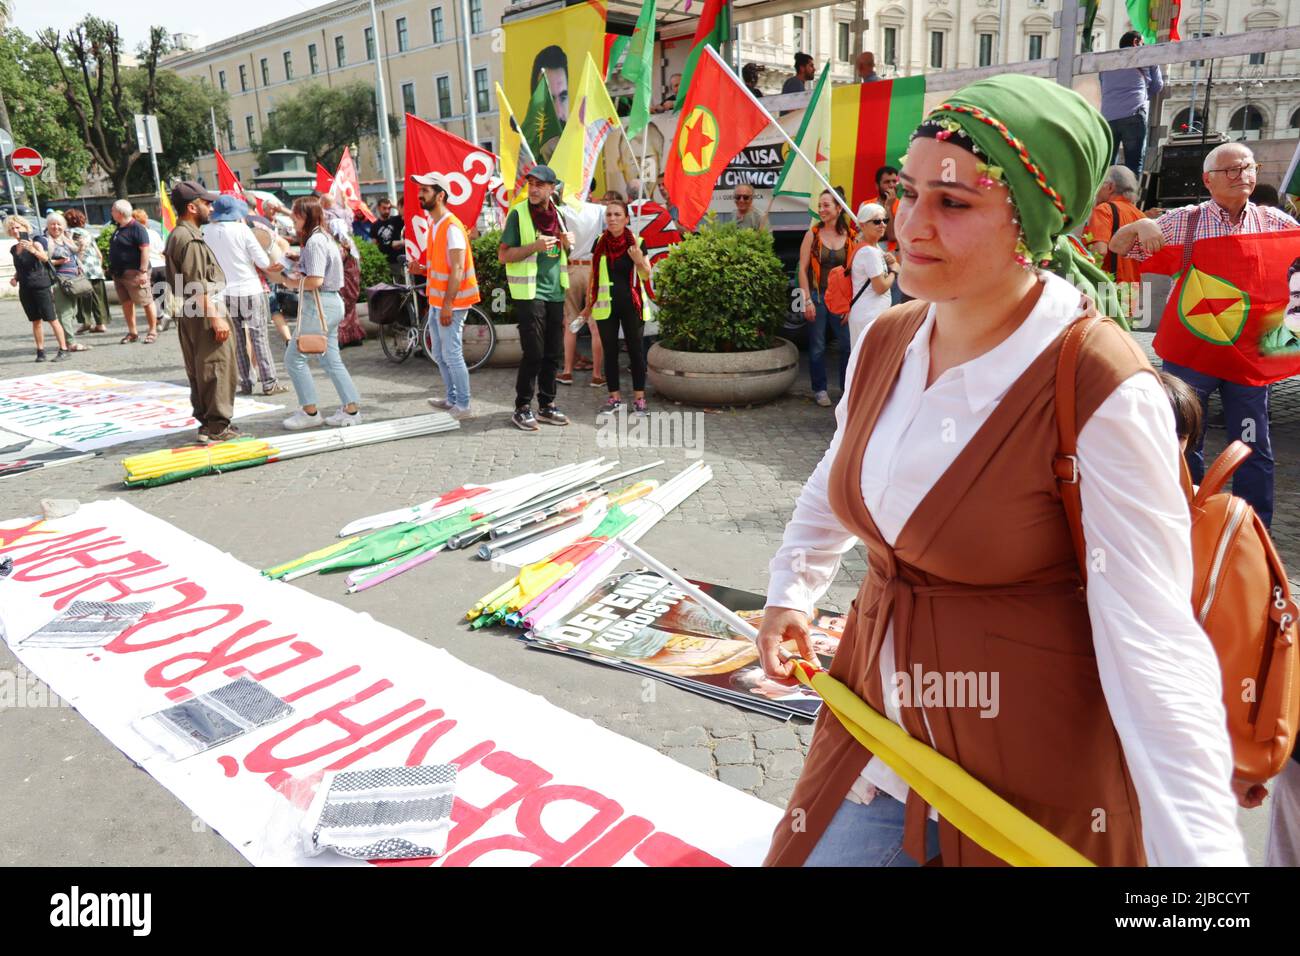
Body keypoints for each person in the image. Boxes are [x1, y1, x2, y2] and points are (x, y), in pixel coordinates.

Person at [758, 74, 1247, 868]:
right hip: (880, 751)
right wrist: (792, 589)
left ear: (1032, 222)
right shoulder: (888, 337)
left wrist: (1202, 873)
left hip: (1027, 790)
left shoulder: (1097, 384)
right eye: (907, 192)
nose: (911, 225)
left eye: (953, 204)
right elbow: (837, 470)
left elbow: (1155, 644)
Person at [1109, 142, 1299, 527]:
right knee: (1184, 438)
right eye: (1230, 169)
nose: (1241, 175)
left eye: (1247, 167)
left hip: (1248, 356)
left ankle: (1251, 529)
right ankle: (1185, 518)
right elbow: (1117, 245)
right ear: (1207, 180)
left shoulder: (1275, 223)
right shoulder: (1186, 220)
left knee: (1252, 445)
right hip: (1194, 351)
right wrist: (1143, 223)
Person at [274, 196, 364, 429]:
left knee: (294, 359)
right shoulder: (323, 237)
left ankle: (310, 412)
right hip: (331, 303)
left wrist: (287, 282)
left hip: (320, 304)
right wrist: (298, 260)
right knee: (331, 360)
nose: (293, 220)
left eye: (295, 215)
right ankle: (351, 410)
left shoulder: (315, 241)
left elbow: (315, 280)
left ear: (305, 216)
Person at [498, 165, 574, 432]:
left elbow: (565, 252)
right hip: (529, 293)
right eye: (530, 184)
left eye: (540, 185)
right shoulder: (518, 213)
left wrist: (565, 242)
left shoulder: (559, 215)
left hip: (555, 291)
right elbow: (504, 255)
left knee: (553, 352)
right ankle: (522, 407)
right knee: (534, 352)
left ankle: (547, 405)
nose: (533, 189)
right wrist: (535, 247)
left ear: (552, 188)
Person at [163, 181, 239, 445]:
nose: (211, 207)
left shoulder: (179, 234)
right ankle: (217, 426)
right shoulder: (190, 238)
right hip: (203, 309)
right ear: (191, 207)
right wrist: (215, 318)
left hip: (192, 309)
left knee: (202, 368)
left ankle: (209, 423)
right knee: (216, 367)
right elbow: (197, 285)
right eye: (206, 203)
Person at [408, 171, 478, 420]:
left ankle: (464, 405)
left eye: (425, 190)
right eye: (420, 190)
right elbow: (444, 266)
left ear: (440, 195)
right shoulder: (436, 225)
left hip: (452, 303)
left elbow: (458, 268)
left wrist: (448, 304)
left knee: (451, 353)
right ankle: (452, 399)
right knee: (439, 353)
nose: (420, 194)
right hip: (439, 302)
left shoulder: (451, 226)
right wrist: (423, 269)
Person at [204, 195, 287, 397]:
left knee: (239, 340)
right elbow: (261, 260)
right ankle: (269, 382)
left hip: (225, 292)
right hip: (249, 288)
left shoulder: (206, 232)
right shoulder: (242, 230)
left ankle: (247, 382)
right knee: (259, 337)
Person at [580, 199, 652, 416]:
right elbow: (593, 274)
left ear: (626, 219)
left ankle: (639, 399)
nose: (612, 218)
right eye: (609, 214)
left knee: (636, 352)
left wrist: (639, 260)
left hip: (632, 304)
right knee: (609, 352)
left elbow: (647, 274)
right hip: (605, 305)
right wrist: (587, 305)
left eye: (617, 215)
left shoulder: (637, 242)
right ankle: (614, 398)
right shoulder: (599, 242)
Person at [798, 189, 857, 406]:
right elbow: (802, 270)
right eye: (820, 205)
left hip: (842, 300)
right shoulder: (812, 234)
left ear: (839, 208)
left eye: (826, 205)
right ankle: (820, 389)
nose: (821, 209)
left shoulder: (850, 236)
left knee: (847, 345)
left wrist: (851, 304)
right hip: (818, 296)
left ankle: (846, 389)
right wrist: (806, 300)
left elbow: (855, 273)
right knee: (817, 346)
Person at [557, 191, 606, 387]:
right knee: (596, 326)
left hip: (570, 268)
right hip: (593, 268)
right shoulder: (600, 210)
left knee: (570, 322)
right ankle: (597, 374)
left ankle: (567, 371)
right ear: (590, 191)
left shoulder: (560, 211)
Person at [5, 215, 71, 362]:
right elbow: (21, 267)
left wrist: (33, 249)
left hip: (40, 285)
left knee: (51, 318)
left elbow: (45, 259)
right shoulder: (13, 249)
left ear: (25, 228)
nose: (15, 230)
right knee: (35, 320)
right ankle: (40, 351)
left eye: (18, 227)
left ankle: (64, 349)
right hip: (25, 288)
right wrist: (15, 278)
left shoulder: (36, 242)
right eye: (12, 228)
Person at [1098, 31, 1163, 176]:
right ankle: (1128, 198)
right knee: (1133, 165)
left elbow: (1103, 86)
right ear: (1136, 42)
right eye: (1142, 43)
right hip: (1133, 114)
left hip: (1108, 118)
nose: (1143, 46)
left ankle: (1103, 196)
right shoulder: (1145, 57)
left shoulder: (1106, 62)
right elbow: (1157, 86)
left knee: (1107, 166)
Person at [1084, 165, 1146, 290]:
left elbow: (1099, 251)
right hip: (1132, 288)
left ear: (1110, 187)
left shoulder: (1104, 210)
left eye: (1100, 184)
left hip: (1106, 287)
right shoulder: (1141, 216)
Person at [107, 200, 159, 344]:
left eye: (112, 210)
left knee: (146, 301)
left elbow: (145, 251)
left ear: (120, 212)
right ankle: (132, 332)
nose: (111, 213)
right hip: (119, 273)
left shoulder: (137, 228)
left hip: (135, 272)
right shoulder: (119, 228)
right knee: (126, 303)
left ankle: (152, 330)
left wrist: (143, 272)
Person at [846, 203, 896, 348]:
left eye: (884, 220)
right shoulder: (870, 252)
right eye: (876, 221)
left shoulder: (868, 248)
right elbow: (880, 287)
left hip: (867, 314)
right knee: (870, 364)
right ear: (862, 225)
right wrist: (894, 271)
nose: (882, 225)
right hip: (870, 316)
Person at [43, 213, 92, 354]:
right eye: (53, 224)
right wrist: (58, 262)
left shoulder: (65, 239)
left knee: (72, 312)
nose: (56, 227)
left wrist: (81, 248)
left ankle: (68, 340)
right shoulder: (46, 241)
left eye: (59, 224)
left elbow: (76, 257)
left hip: (73, 281)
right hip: (60, 281)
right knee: (64, 313)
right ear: (48, 226)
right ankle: (70, 343)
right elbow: (43, 260)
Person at [64, 208, 111, 333]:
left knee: (83, 297)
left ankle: (86, 323)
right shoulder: (87, 233)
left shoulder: (67, 233)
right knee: (99, 297)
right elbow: (99, 253)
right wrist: (99, 267)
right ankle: (101, 324)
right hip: (95, 268)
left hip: (80, 269)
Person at [133, 209, 171, 331]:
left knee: (150, 296)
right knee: (161, 294)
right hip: (161, 266)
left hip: (149, 267)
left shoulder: (136, 235)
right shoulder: (154, 233)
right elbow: (162, 249)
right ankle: (165, 317)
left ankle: (161, 317)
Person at [372, 197, 406, 283]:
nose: (387, 211)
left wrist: (394, 206)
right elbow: (374, 244)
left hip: (398, 260)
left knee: (402, 286)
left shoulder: (396, 220)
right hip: (385, 262)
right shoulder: (375, 225)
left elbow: (405, 213)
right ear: (378, 208)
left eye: (389, 208)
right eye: (384, 208)